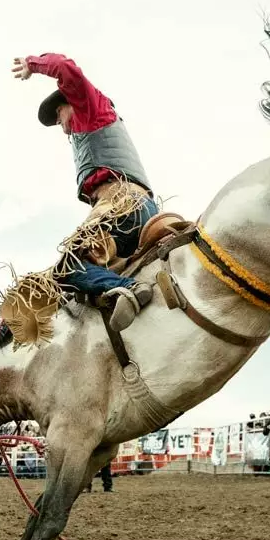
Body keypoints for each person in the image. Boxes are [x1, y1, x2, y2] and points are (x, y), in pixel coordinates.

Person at [12, 52, 180, 332]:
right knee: (87, 276)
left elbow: (66, 68)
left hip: (121, 203)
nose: (60, 125)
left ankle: (129, 289)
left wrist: (32, 64)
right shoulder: (95, 126)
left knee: (68, 266)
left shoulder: (90, 110)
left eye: (58, 114)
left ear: (70, 101)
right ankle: (123, 296)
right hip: (140, 209)